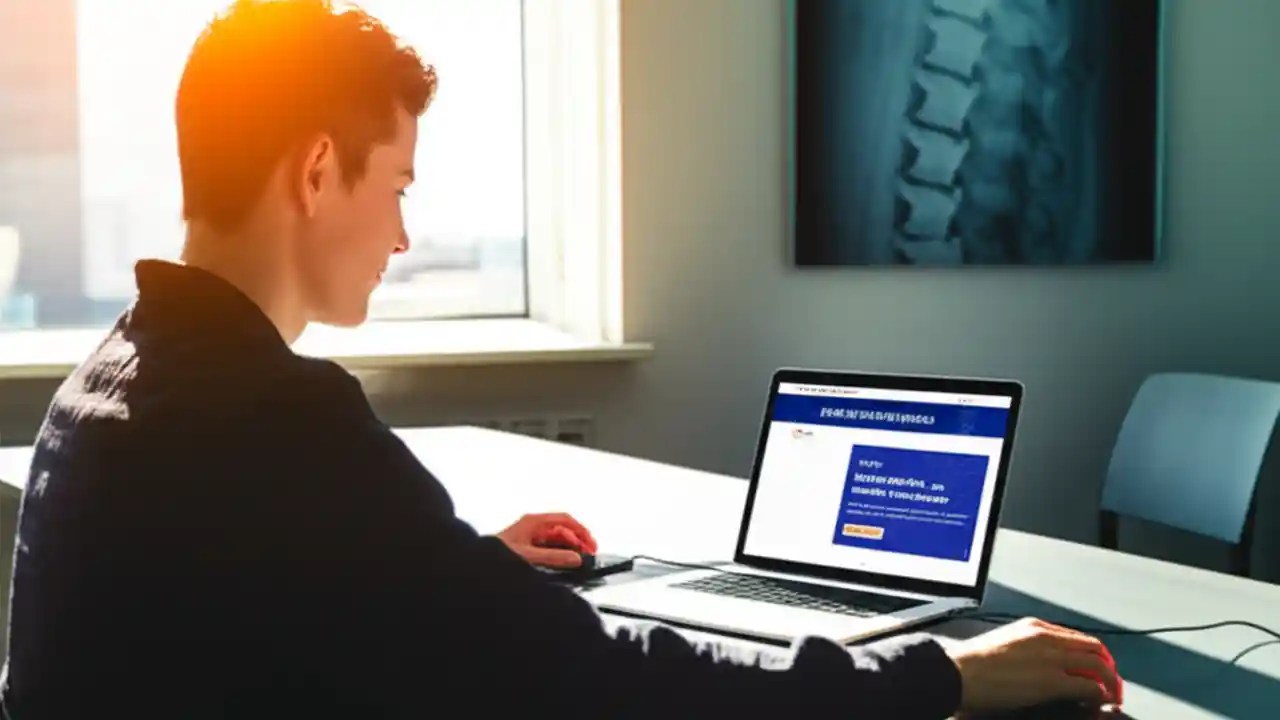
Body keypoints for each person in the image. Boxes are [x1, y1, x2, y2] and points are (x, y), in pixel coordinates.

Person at [0, 1, 1122, 717]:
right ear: (315, 170)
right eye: (394, 189)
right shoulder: (274, 417)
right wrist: (943, 677)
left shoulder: (116, 378)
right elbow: (602, 677)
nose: (398, 235)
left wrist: (443, 563)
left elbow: (251, 588)